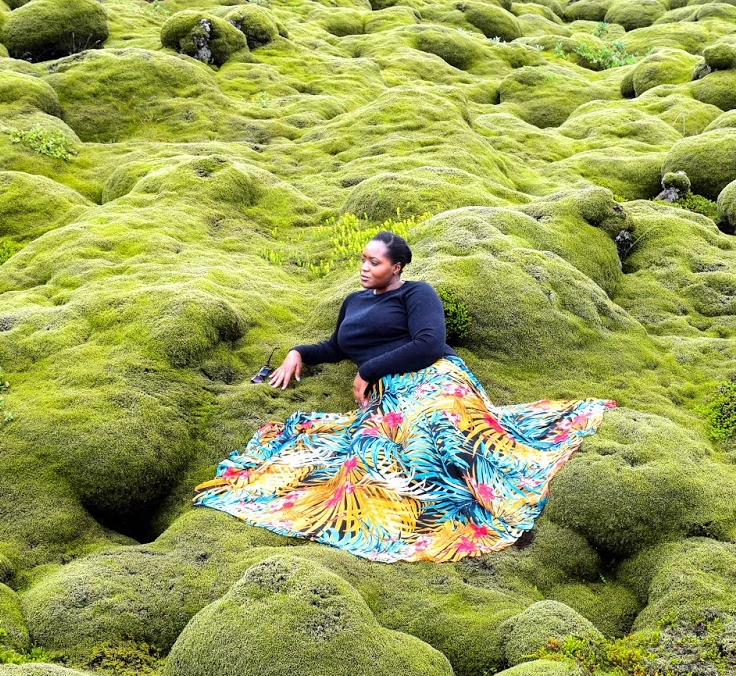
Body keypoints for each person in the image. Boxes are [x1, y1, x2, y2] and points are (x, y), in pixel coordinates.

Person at [193, 231, 615, 563]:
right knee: (388, 453)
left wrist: (370, 369)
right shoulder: (353, 301)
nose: (364, 268)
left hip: (434, 376)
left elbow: (430, 343)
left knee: (448, 426)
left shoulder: (417, 294)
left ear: (396, 268)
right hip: (389, 398)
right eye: (362, 259)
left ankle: (498, 500)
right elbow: (338, 346)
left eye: (373, 262)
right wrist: (298, 353)